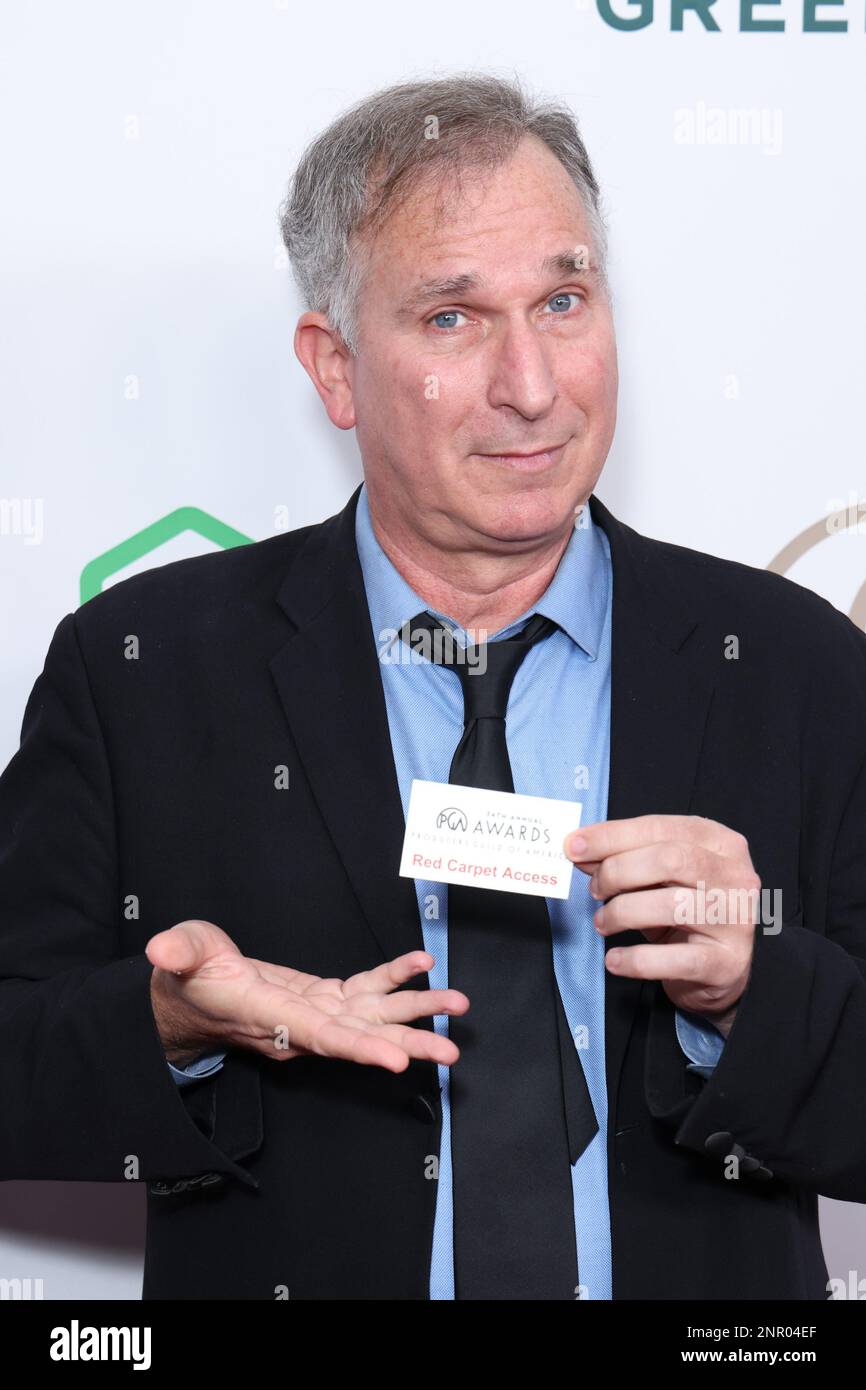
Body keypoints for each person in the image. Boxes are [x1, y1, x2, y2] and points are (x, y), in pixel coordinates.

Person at [1, 72, 865, 1301]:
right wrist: (171, 1023)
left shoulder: (795, 666)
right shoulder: (142, 671)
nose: (532, 383)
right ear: (336, 366)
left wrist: (754, 985)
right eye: (453, 319)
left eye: (562, 300)